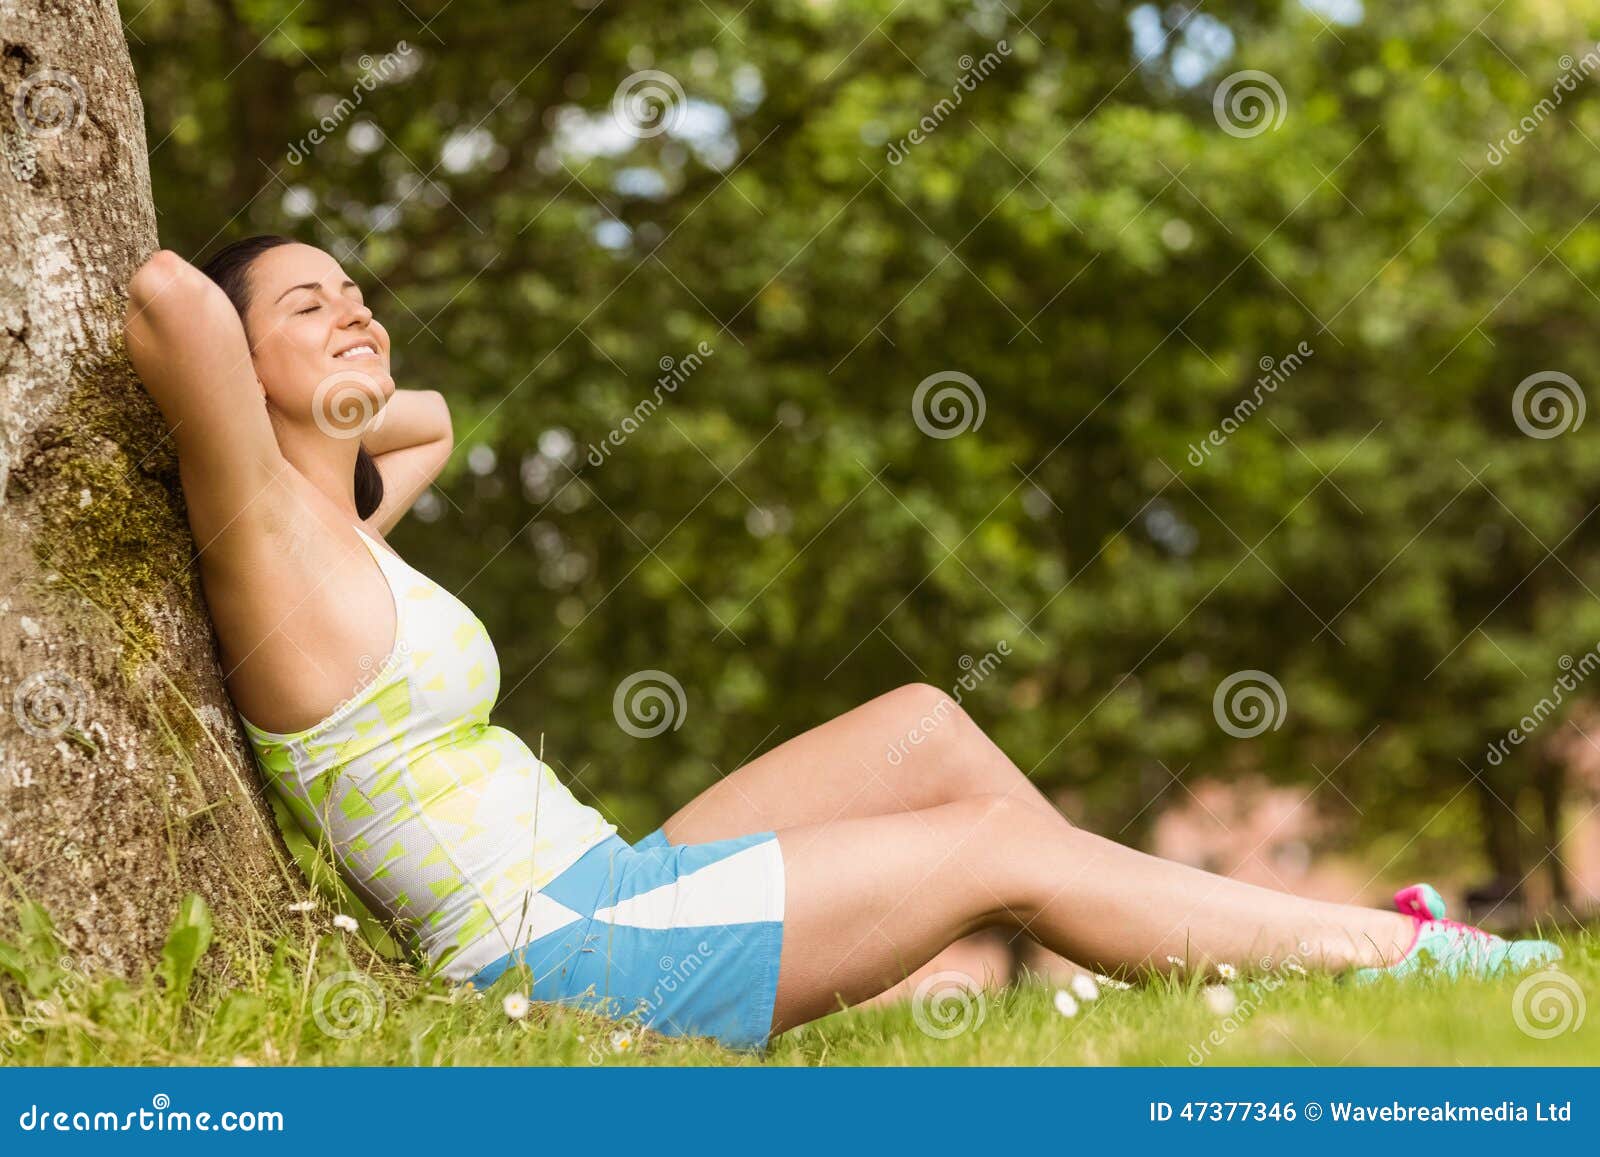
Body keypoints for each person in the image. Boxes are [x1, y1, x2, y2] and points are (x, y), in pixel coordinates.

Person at [121, 236, 1562, 1052]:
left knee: (928, 723)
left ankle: (1165, 959)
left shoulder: (351, 526)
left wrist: (339, 378)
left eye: (359, 287)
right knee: (996, 840)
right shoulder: (257, 530)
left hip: (608, 879)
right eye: (311, 303)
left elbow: (430, 423)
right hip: (548, 953)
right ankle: (1400, 951)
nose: (358, 308)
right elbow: (169, 298)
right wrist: (257, 393)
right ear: (239, 386)